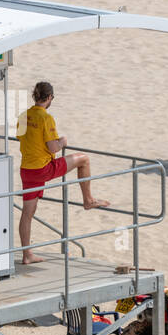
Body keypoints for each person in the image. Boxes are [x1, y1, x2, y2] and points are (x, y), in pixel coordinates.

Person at [15, 82, 109, 265]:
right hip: (43, 169)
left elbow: (21, 137)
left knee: (27, 213)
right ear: (49, 98)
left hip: (26, 169)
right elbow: (53, 147)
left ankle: (27, 255)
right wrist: (62, 142)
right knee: (84, 159)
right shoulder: (46, 118)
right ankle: (88, 199)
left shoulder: (23, 115)